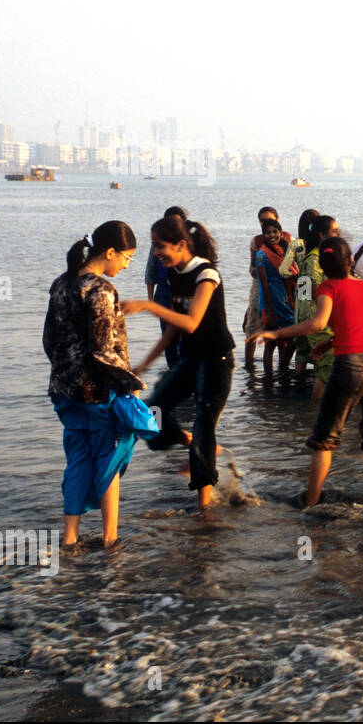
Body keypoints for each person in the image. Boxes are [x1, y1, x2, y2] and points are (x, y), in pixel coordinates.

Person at [254, 238, 363, 506]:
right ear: (350, 261)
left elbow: (317, 322)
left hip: (350, 365)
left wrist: (277, 332)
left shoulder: (327, 287)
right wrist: (328, 342)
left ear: (321, 265)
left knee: (324, 439)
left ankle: (310, 502)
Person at [44, 221, 159, 548]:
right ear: (109, 252)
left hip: (65, 392)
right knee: (109, 460)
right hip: (98, 394)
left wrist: (65, 371)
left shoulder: (61, 284)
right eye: (126, 257)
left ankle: (69, 538)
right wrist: (132, 384)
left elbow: (49, 340)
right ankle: (110, 539)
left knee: (77, 460)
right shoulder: (102, 291)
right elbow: (104, 350)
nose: (125, 264)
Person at [123, 217, 235, 510]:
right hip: (191, 358)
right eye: (154, 247)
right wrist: (144, 365)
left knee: (204, 424)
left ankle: (204, 506)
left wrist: (148, 305)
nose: (157, 253)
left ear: (181, 244)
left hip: (216, 360)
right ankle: (195, 444)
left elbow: (192, 321)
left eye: (161, 246)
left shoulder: (206, 273)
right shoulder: (174, 274)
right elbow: (173, 330)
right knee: (153, 412)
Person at [295, 214, 340, 398]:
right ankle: (318, 403)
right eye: (334, 231)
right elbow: (311, 289)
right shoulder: (314, 259)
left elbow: (303, 291)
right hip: (314, 317)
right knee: (328, 359)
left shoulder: (313, 256)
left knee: (310, 358)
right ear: (322, 235)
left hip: (307, 315)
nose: (338, 234)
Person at [144, 205, 187, 369]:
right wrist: (149, 299)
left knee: (184, 336)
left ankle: (184, 371)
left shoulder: (187, 245)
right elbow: (150, 272)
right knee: (168, 336)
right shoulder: (157, 245)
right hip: (163, 293)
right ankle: (173, 370)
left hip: (183, 294)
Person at [243, 206, 286, 367]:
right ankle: (249, 366)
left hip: (281, 289)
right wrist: (258, 269)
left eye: (270, 219)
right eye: (262, 221)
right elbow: (252, 266)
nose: (266, 223)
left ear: (278, 220)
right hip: (260, 288)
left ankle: (282, 368)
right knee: (253, 328)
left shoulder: (286, 240)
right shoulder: (257, 242)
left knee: (282, 332)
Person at [253, 217, 297, 374]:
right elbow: (264, 284)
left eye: (275, 232)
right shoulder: (261, 255)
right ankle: (269, 377)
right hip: (270, 300)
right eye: (268, 233)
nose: (272, 235)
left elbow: (296, 276)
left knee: (290, 341)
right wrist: (270, 310)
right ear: (263, 235)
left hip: (285, 299)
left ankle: (282, 371)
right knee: (270, 343)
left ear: (280, 233)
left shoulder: (284, 251)